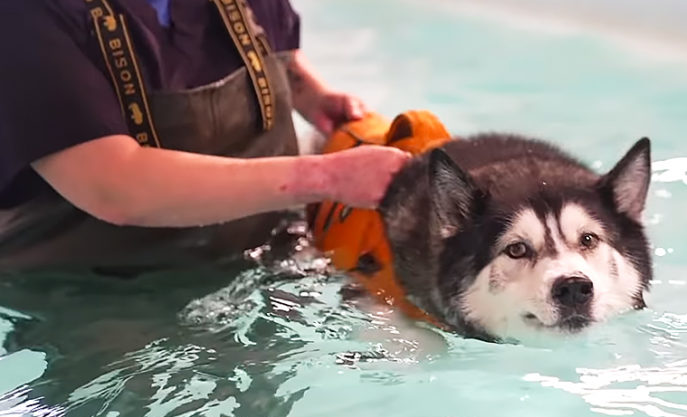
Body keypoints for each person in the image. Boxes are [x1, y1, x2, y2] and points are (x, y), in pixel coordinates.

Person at [0, 0, 411, 272]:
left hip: (256, 254)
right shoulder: (22, 17)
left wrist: (311, 94)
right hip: (89, 292)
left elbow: (275, 45)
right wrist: (328, 179)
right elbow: (114, 189)